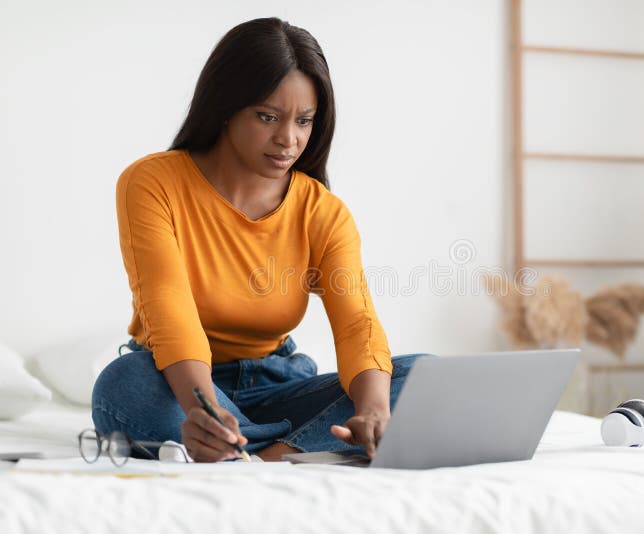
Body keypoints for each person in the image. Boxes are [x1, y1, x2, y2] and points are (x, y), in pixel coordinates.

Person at [92, 17, 430, 463]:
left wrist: (371, 411)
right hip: (176, 381)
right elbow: (168, 310)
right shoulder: (152, 182)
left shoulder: (323, 211)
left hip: (280, 384)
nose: (289, 140)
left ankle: (266, 453)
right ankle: (256, 439)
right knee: (125, 382)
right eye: (268, 117)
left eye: (304, 121)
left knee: (423, 375)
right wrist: (202, 409)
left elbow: (356, 325)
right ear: (226, 106)